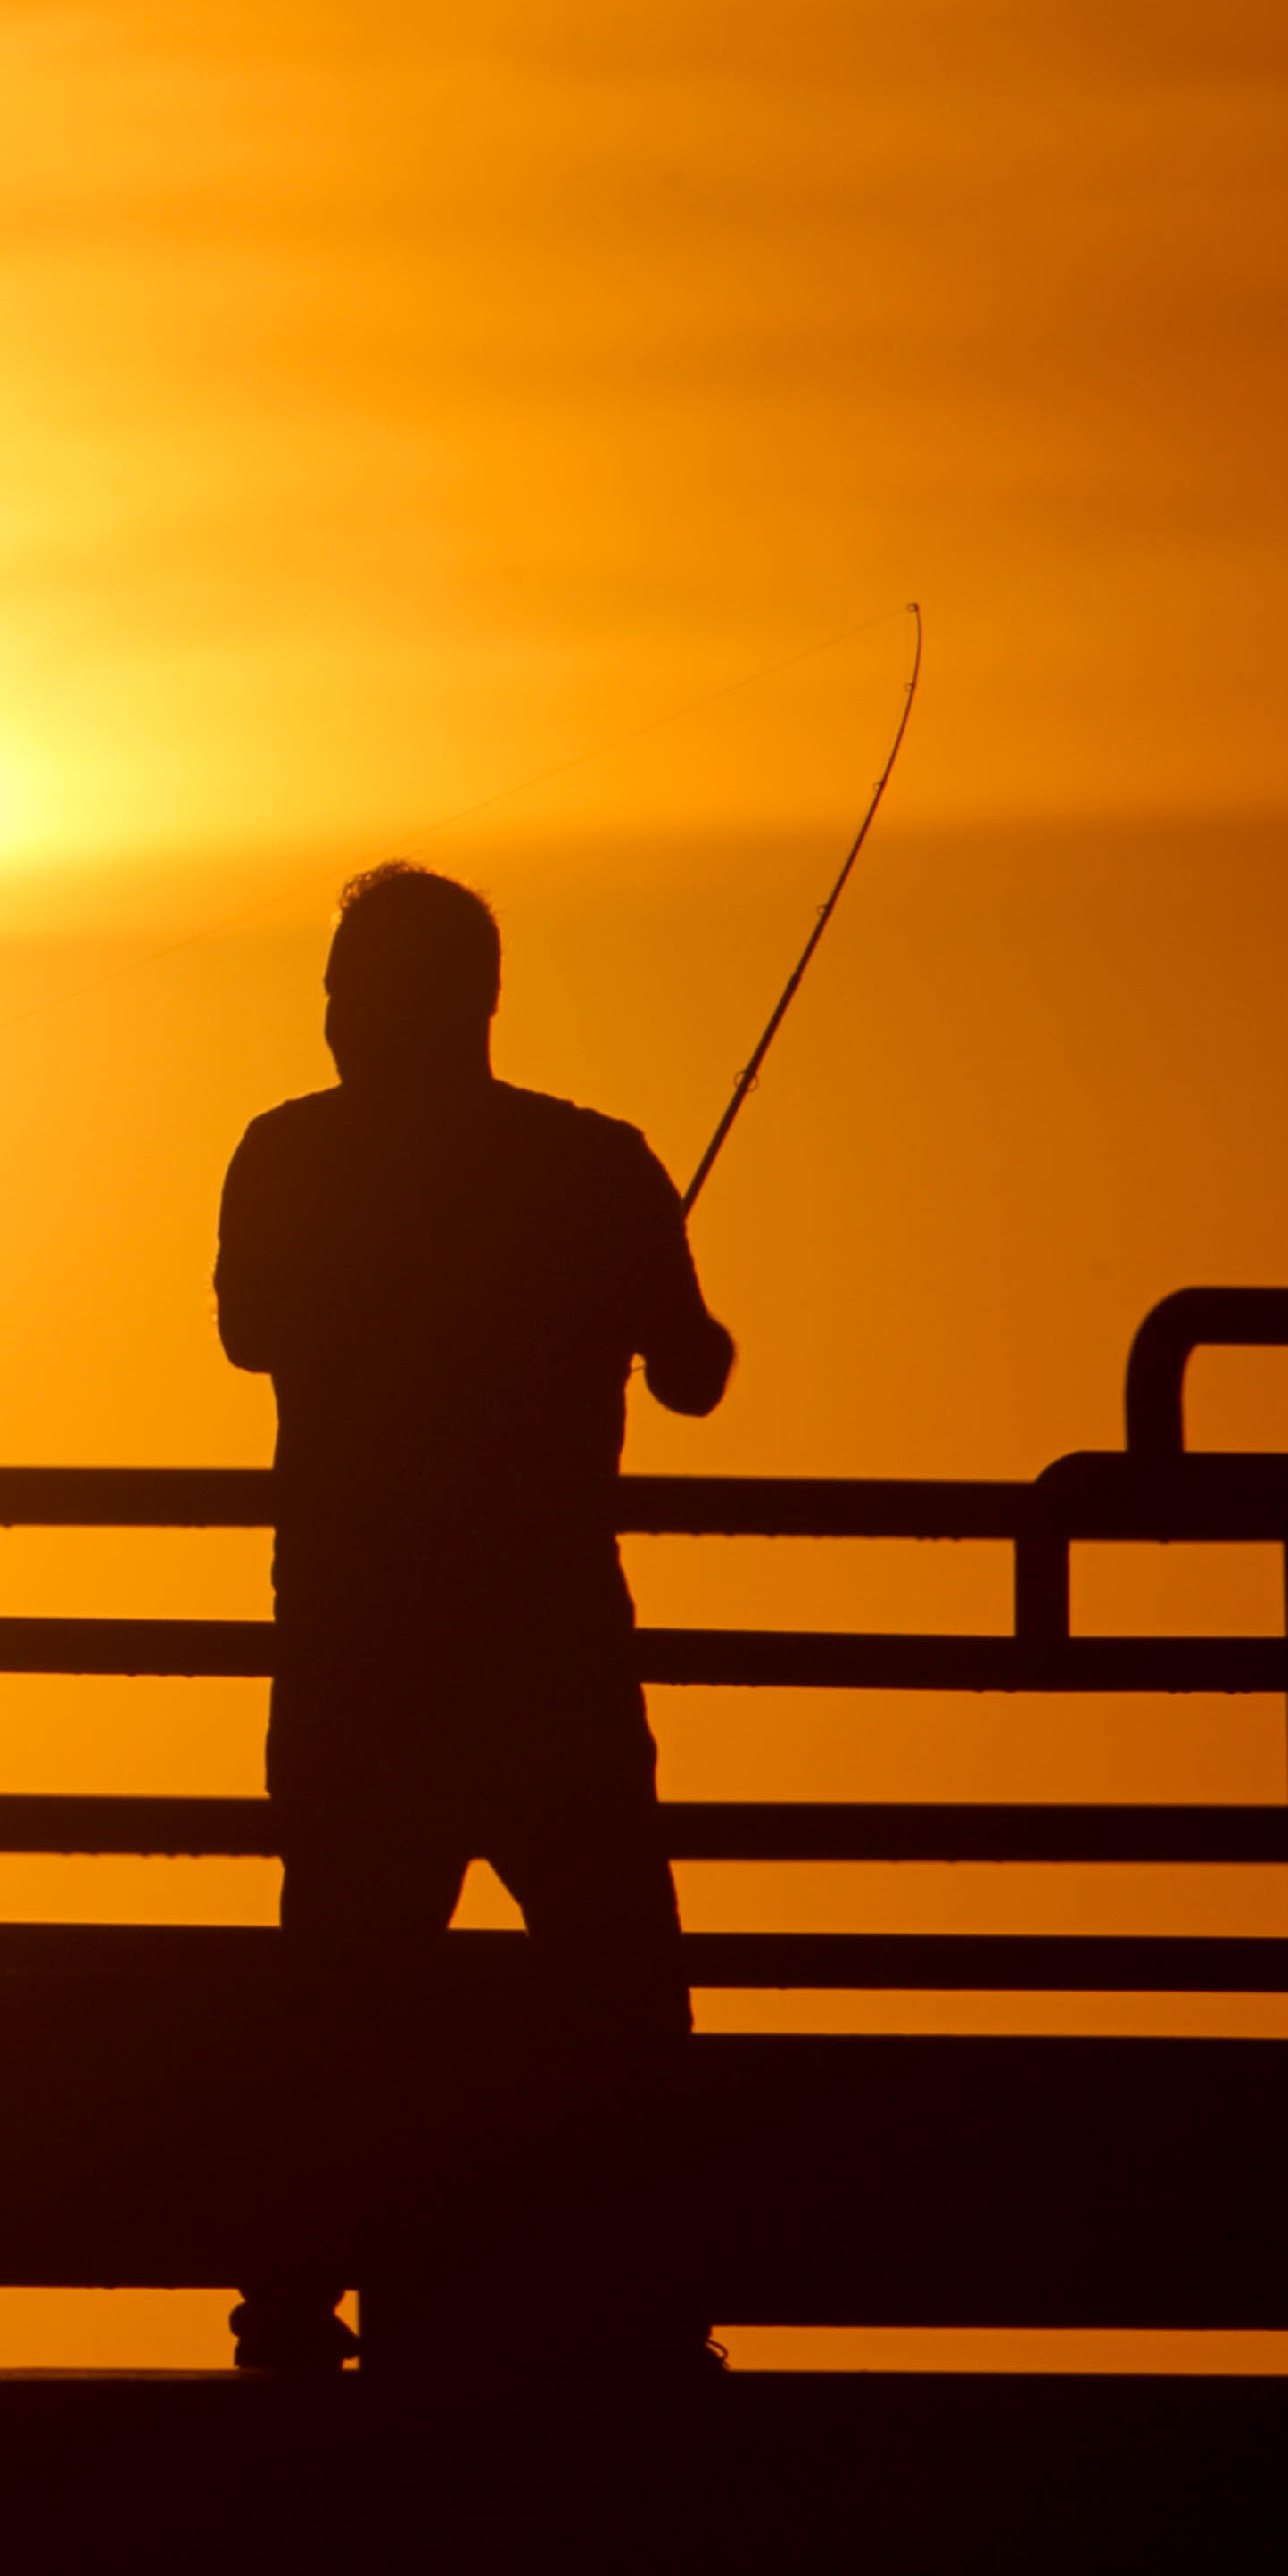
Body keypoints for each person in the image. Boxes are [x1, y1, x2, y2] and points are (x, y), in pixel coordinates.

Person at [214, 862, 733, 2374]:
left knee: (338, 1986)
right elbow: (694, 1373)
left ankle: (300, 2301)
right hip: (551, 1654)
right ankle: (666, 2303)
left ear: (387, 1004)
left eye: (342, 989)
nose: (327, 1018)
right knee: (624, 1983)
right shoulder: (598, 1165)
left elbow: (253, 1332)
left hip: (355, 1650)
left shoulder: (285, 1159)